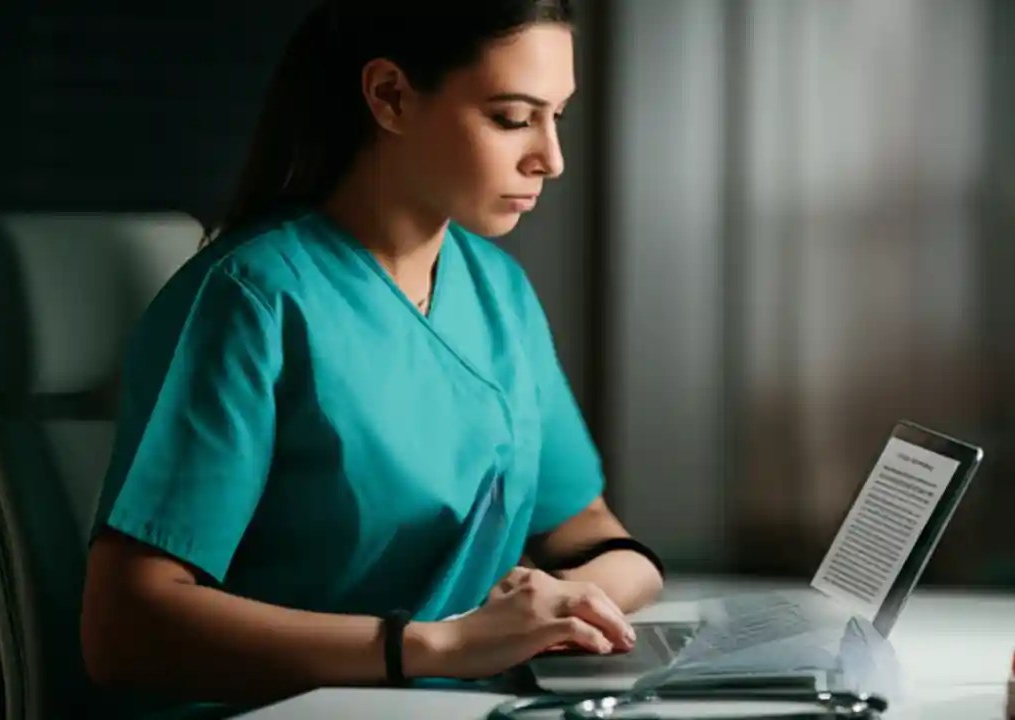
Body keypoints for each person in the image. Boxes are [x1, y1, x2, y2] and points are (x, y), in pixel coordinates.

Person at [79, 1, 664, 716]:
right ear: (390, 97)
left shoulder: (498, 289)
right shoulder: (255, 299)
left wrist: (581, 597)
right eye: (513, 118)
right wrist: (431, 648)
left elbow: (587, 530)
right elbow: (125, 630)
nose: (551, 158)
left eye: (557, 117)